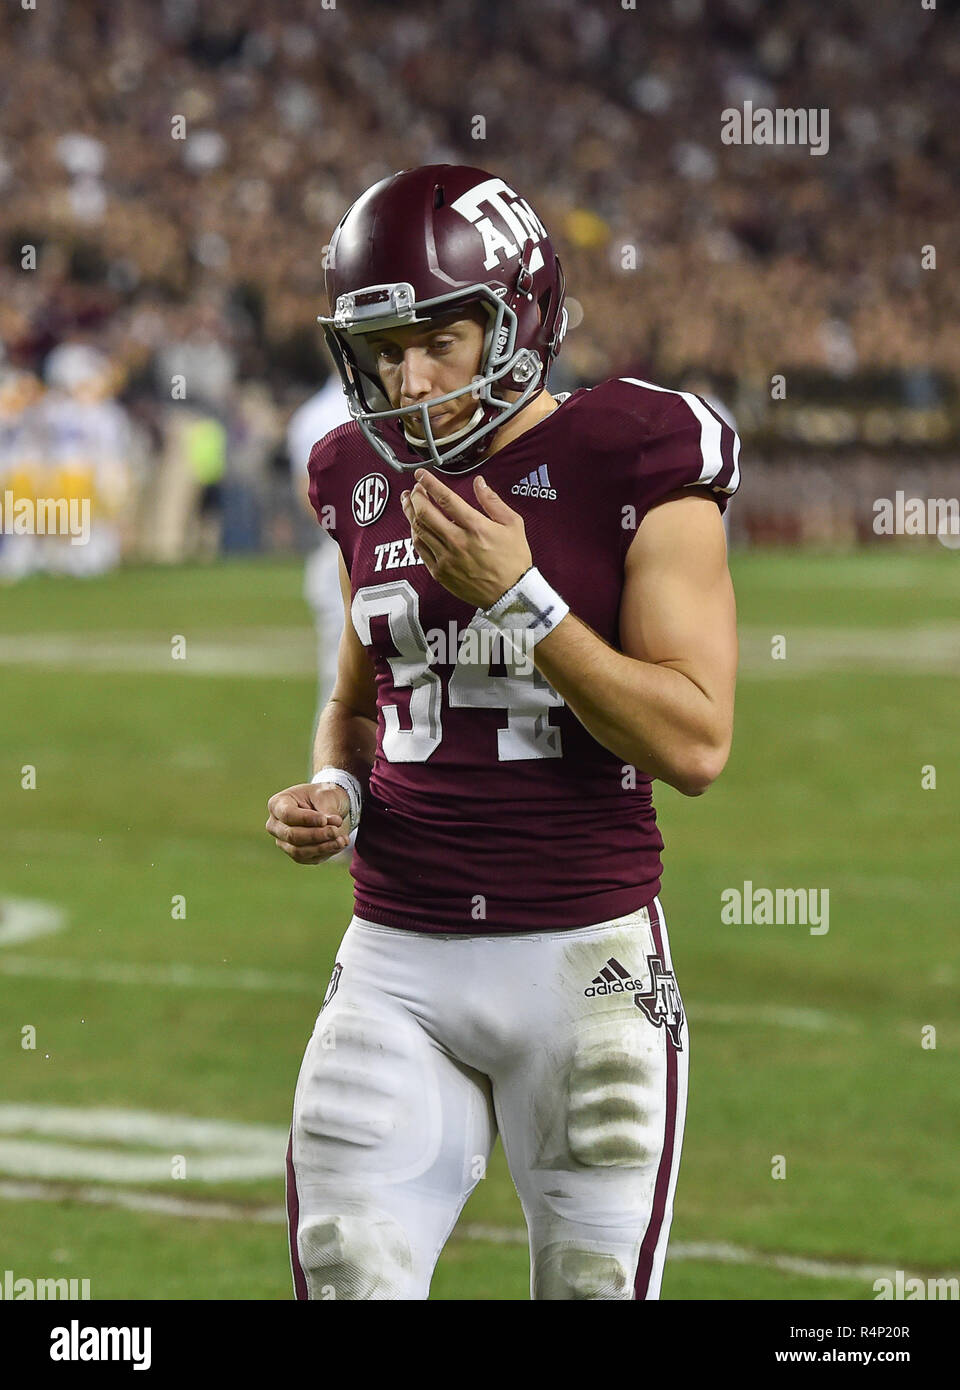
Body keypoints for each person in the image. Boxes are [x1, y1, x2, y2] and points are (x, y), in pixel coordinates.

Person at [266, 164, 740, 1301]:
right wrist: (336, 784)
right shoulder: (356, 473)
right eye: (382, 351)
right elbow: (358, 700)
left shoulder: (630, 453)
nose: (408, 379)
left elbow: (695, 743)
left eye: (440, 339)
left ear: (515, 319)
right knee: (344, 1275)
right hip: (395, 956)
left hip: (585, 959)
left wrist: (522, 598)